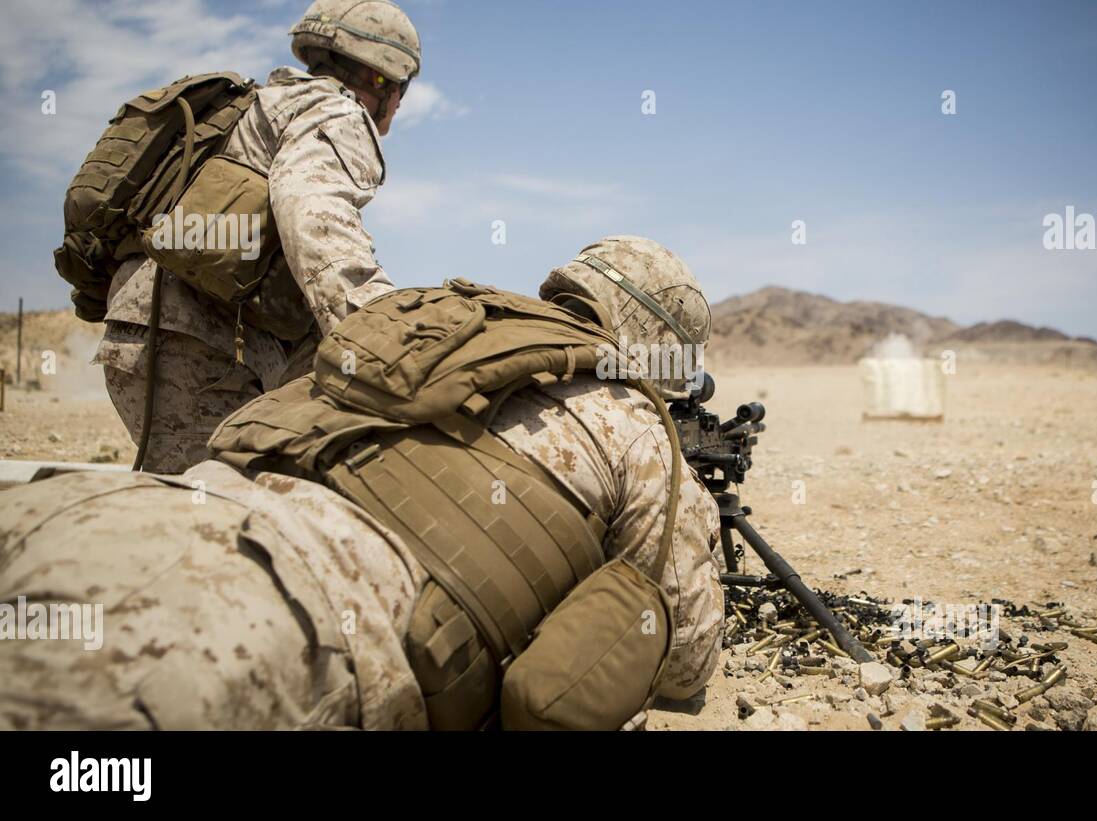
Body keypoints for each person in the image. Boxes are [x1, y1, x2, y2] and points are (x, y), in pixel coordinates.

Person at [0, 236, 724, 730]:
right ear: (661, 348)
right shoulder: (637, 422)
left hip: (112, 511)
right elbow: (683, 660)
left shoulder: (425, 324)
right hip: (269, 622)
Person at [92, 0, 420, 473]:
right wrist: (386, 340)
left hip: (153, 333)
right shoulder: (335, 113)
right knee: (215, 520)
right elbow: (314, 218)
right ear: (382, 81)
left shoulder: (263, 105)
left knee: (202, 503)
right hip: (197, 350)